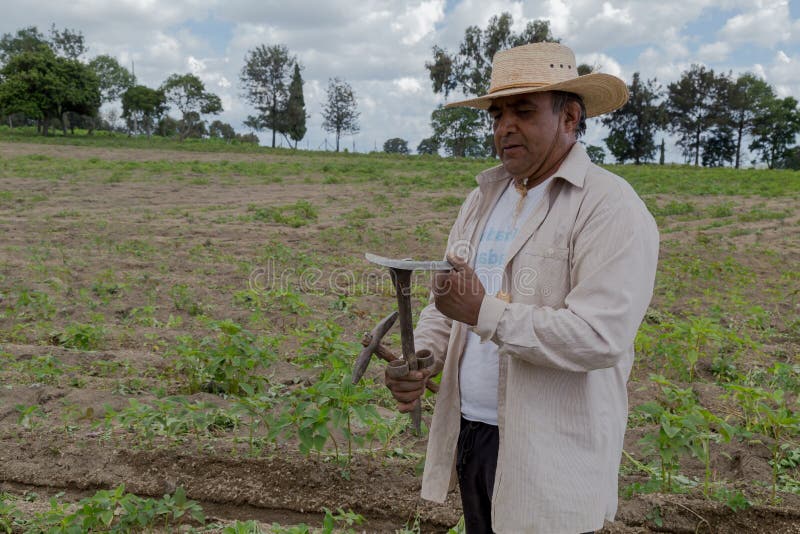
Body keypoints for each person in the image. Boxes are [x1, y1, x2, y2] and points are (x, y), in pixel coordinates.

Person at [384, 42, 660, 533]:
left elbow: (600, 337)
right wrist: (423, 356)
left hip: (551, 451)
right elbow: (447, 302)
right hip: (475, 434)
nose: (504, 126)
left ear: (570, 118)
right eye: (497, 114)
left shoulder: (609, 207)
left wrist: (483, 313)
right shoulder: (482, 200)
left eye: (524, 111)